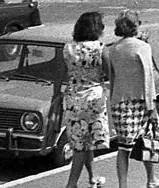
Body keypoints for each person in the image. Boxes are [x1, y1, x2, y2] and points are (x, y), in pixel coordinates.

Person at [105, 10, 159, 188]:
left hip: (120, 102)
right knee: (149, 141)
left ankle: (123, 185)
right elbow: (148, 78)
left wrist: (114, 99)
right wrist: (152, 106)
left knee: (123, 148)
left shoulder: (113, 49)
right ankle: (151, 179)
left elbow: (112, 77)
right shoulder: (143, 47)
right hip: (141, 102)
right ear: (135, 26)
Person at [62, 11, 109, 188]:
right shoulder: (100, 48)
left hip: (73, 98)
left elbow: (62, 74)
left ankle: (93, 176)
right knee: (83, 145)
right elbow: (109, 72)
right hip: (93, 98)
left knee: (81, 139)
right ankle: (71, 183)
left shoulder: (68, 48)